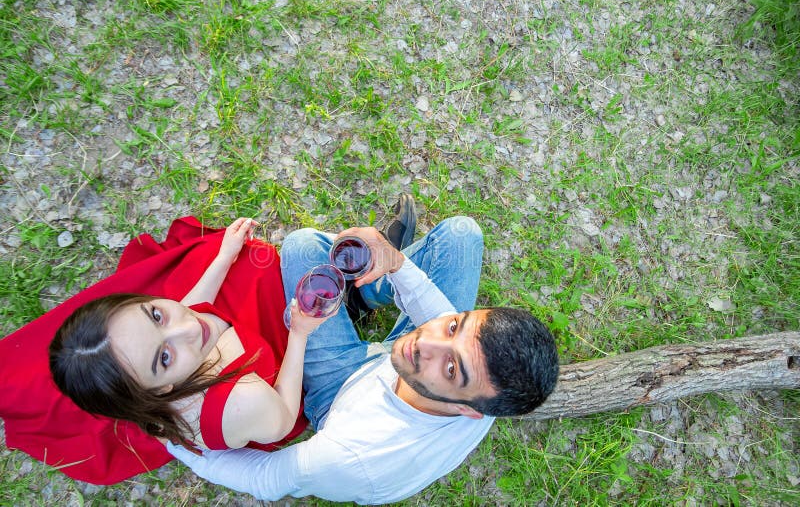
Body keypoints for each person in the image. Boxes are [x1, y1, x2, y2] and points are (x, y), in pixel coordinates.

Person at [167, 208, 560, 504]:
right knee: (462, 234)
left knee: (303, 247)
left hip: (339, 392)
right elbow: (439, 323)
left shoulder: (353, 455)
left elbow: (266, 478)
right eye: (456, 326)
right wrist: (395, 260)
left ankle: (358, 294)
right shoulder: (477, 383)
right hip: (384, 372)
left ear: (472, 412)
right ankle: (366, 289)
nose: (424, 343)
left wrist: (174, 443)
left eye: (453, 367)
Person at [49, 217, 330, 452]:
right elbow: (285, 414)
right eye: (165, 357)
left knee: (250, 265)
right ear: (158, 390)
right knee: (298, 253)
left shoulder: (151, 369)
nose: (191, 326)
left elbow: (192, 308)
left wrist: (225, 256)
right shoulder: (244, 401)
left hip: (247, 367)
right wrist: (299, 334)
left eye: (156, 315)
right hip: (276, 400)